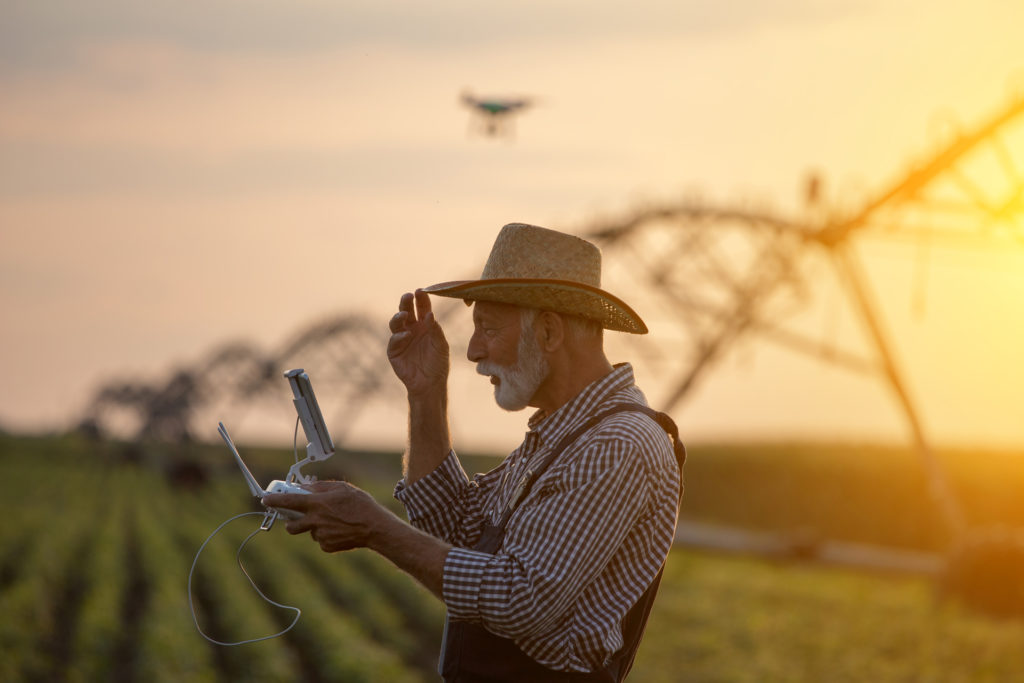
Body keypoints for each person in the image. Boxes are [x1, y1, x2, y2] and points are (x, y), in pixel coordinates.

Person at [263, 223, 685, 682]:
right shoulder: (563, 434)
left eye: (488, 328)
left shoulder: (617, 444)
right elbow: (455, 530)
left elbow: (519, 600)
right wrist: (426, 393)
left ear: (548, 332)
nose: (473, 350)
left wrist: (374, 526)